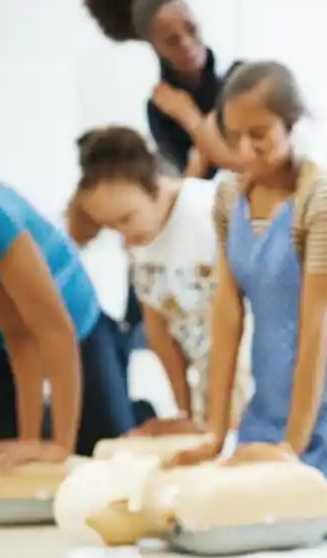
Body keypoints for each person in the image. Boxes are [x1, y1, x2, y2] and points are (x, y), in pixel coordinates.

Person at [169, 61, 327, 538]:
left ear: (293, 125)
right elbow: (227, 311)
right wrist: (216, 431)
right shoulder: (228, 196)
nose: (244, 150)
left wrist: (293, 446)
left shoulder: (321, 197)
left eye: (259, 134)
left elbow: (315, 321)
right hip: (274, 383)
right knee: (255, 507)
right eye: (233, 136)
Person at [0, 173, 147, 467]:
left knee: (107, 453)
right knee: (6, 467)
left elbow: (53, 328)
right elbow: (18, 334)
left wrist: (59, 446)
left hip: (72, 318)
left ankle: (142, 412)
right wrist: (28, 441)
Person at [69, 125, 229, 428]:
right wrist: (184, 412)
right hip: (208, 380)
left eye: (126, 219)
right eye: (111, 227)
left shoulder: (208, 211)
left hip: (254, 373)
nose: (124, 237)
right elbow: (158, 327)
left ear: (156, 188)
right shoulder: (138, 242)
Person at [83, 0, 244, 181]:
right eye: (172, 41)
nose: (188, 45)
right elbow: (189, 190)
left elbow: (249, 163)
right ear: (154, 47)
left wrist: (191, 119)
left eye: (191, 28)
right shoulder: (159, 112)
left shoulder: (240, 76)